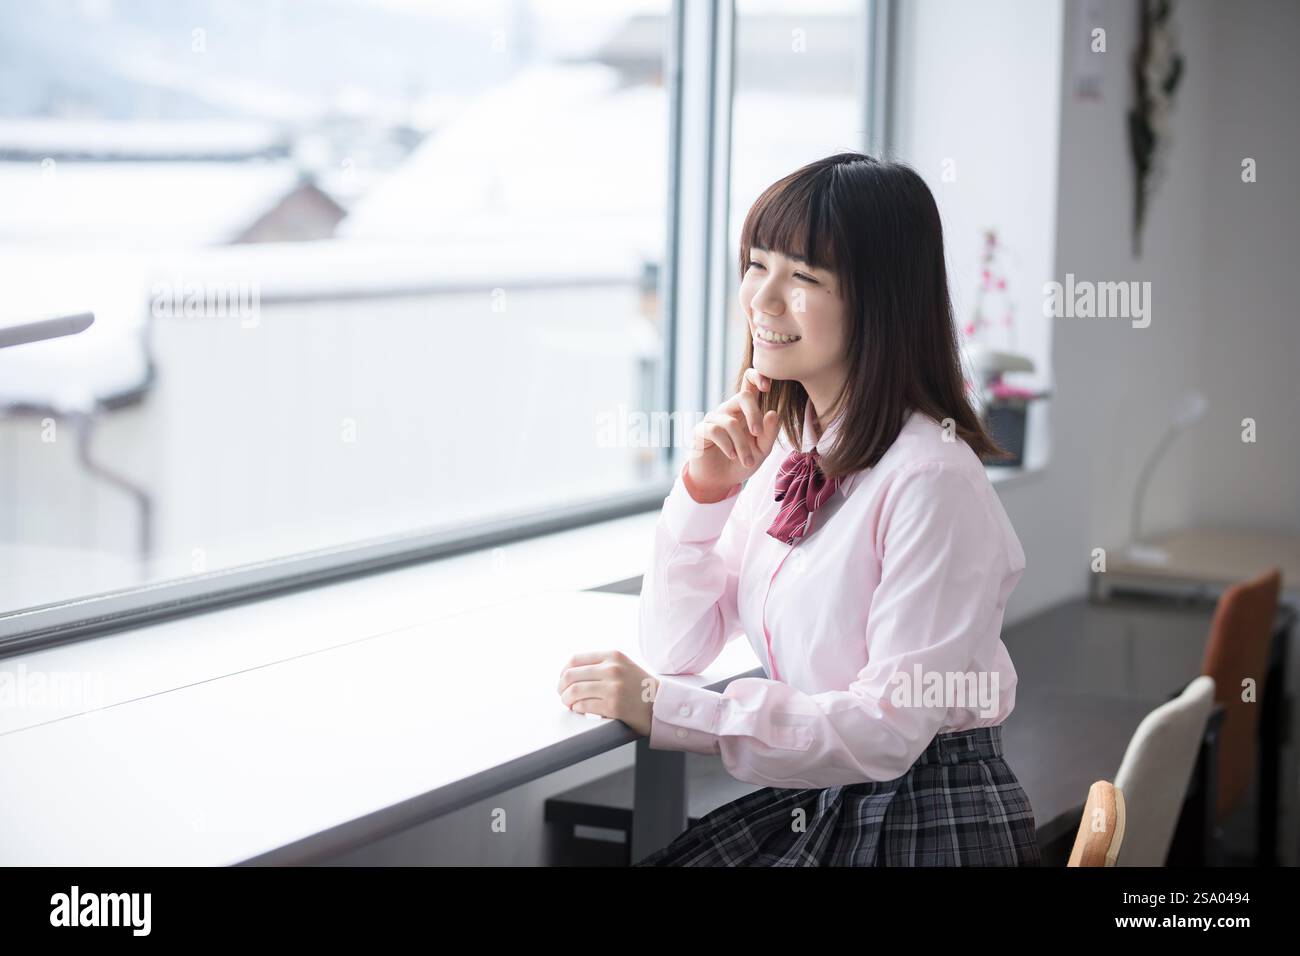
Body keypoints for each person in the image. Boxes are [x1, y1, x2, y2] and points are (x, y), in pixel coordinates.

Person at [557, 151, 1040, 866]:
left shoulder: (932, 477)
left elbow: (886, 729)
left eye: (803, 278)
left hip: (921, 814)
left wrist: (669, 709)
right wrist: (704, 494)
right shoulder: (790, 451)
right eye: (756, 264)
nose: (762, 298)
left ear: (879, 303)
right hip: (834, 791)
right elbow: (676, 647)